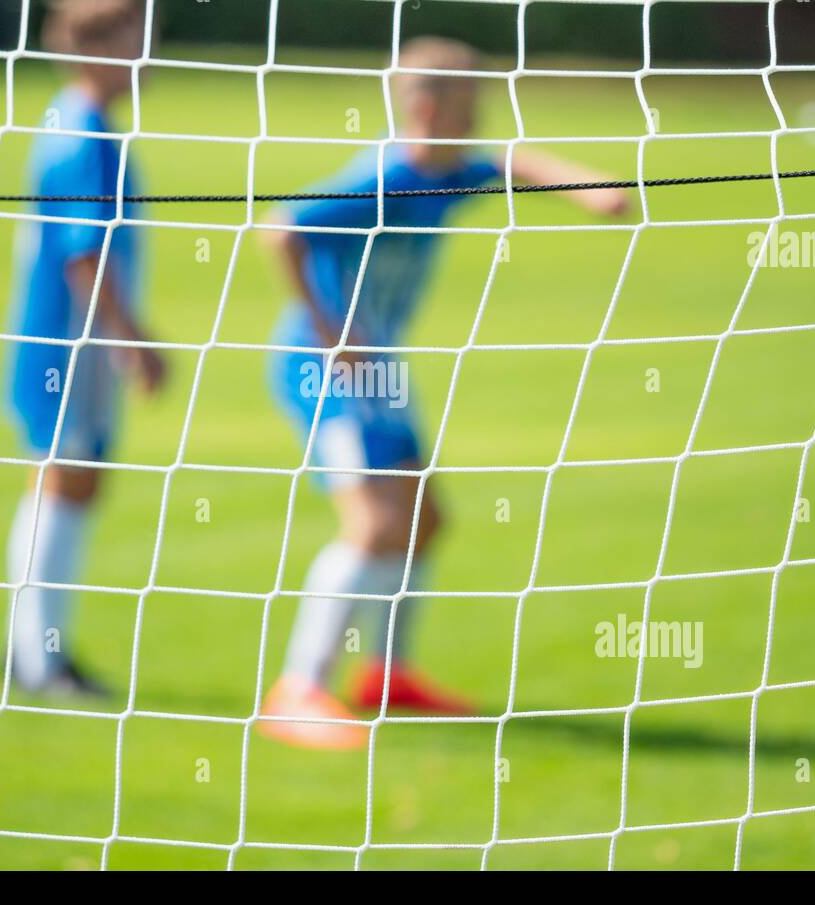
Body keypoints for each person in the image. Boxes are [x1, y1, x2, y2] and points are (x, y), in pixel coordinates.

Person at [258, 37, 629, 748]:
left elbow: (510, 160)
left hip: (379, 370)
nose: (480, 114)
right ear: (427, 107)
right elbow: (280, 231)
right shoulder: (384, 175)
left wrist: (589, 190)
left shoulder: (449, 171)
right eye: (469, 102)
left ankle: (388, 678)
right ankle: (297, 689)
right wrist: (331, 331)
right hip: (324, 368)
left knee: (424, 517)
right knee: (373, 524)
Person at [3, 0, 165, 695]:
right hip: (67, 338)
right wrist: (133, 340)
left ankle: (31, 649)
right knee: (62, 479)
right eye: (136, 38)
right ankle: (40, 659)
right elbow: (82, 254)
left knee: (72, 480)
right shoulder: (83, 133)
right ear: (97, 48)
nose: (148, 55)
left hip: (75, 333)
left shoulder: (83, 121)